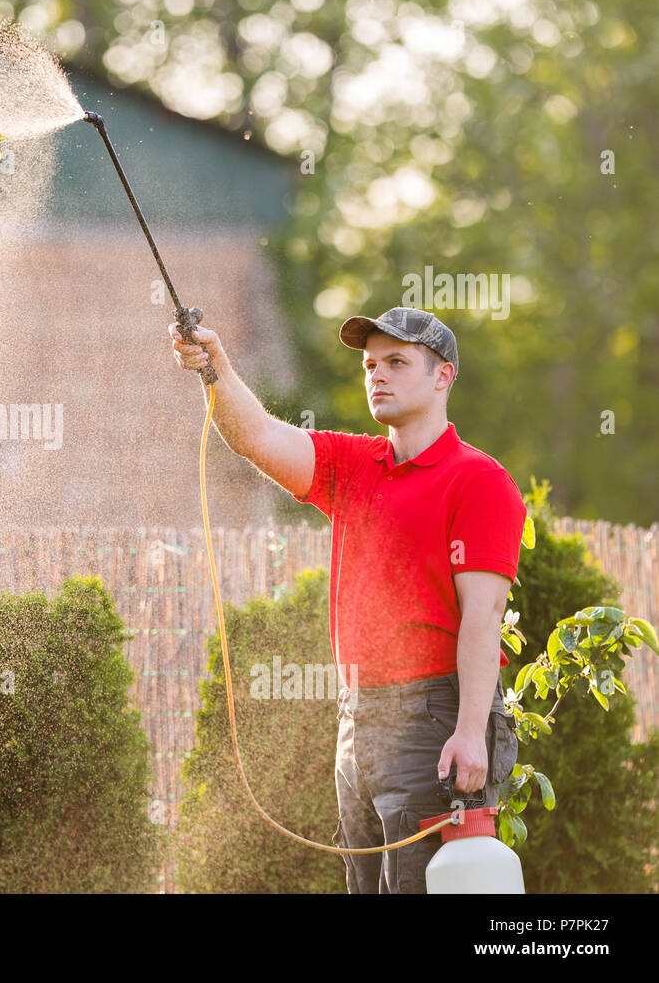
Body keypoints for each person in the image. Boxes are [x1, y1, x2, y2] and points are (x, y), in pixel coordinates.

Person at [170, 305, 524, 893]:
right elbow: (255, 436)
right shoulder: (353, 464)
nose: (376, 375)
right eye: (369, 365)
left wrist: (467, 732)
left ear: (443, 376)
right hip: (356, 718)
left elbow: (483, 619)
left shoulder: (478, 480)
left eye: (395, 362)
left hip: (432, 721)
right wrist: (216, 370)